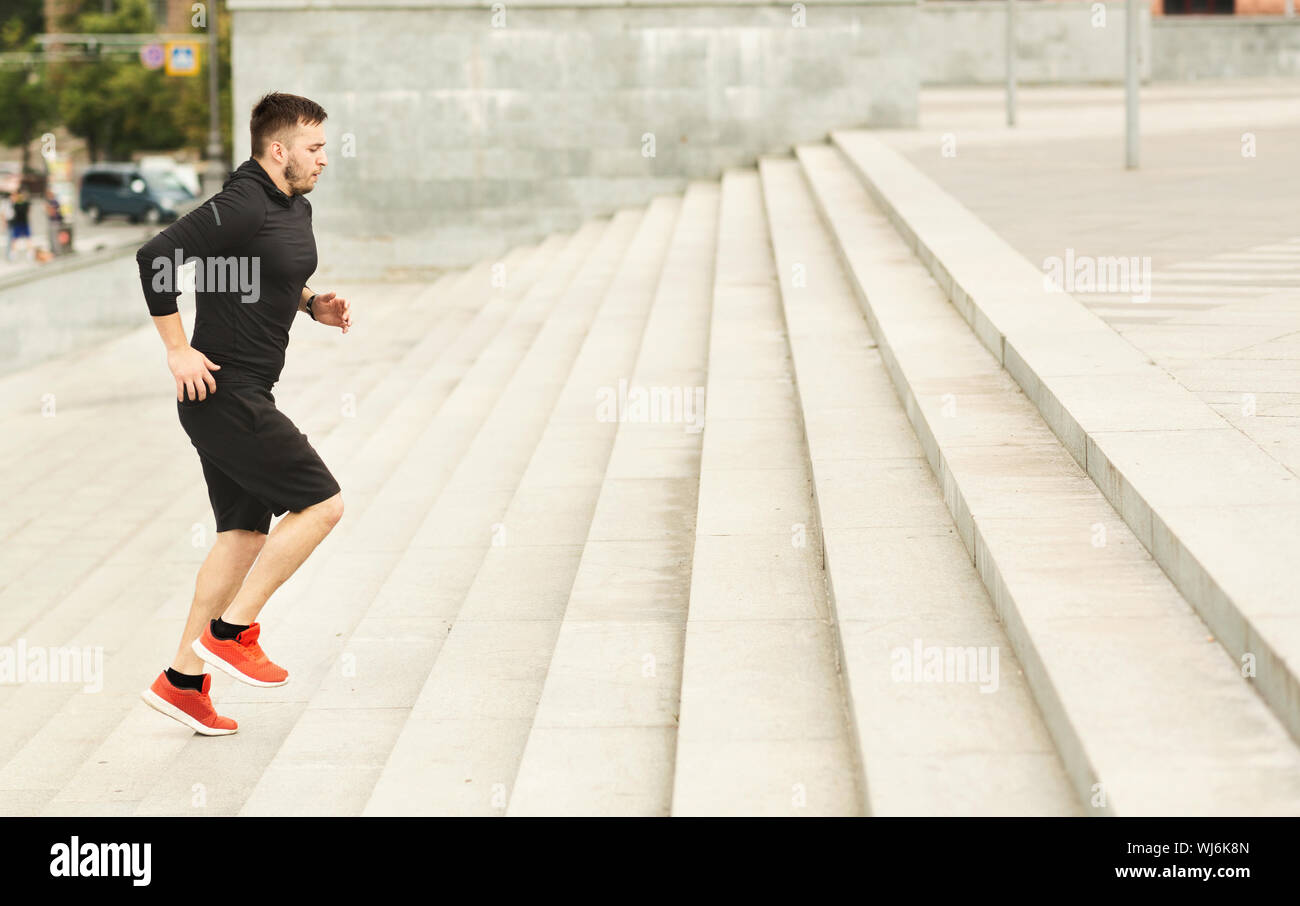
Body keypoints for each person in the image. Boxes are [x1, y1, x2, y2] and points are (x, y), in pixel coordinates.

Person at [137, 92, 354, 735]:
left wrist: (312, 304)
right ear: (277, 149)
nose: (324, 159)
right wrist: (178, 349)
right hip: (224, 393)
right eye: (314, 148)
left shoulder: (289, 204)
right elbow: (157, 257)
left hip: (240, 394)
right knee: (322, 503)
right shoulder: (242, 201)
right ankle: (233, 633)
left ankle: (182, 680)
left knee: (242, 535)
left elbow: (259, 272)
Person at [5, 189, 31, 262]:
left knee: (26, 239)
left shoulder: (22, 204)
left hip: (22, 223)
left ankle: (28, 254)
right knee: (14, 240)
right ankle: (12, 255)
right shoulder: (15, 204)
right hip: (16, 224)